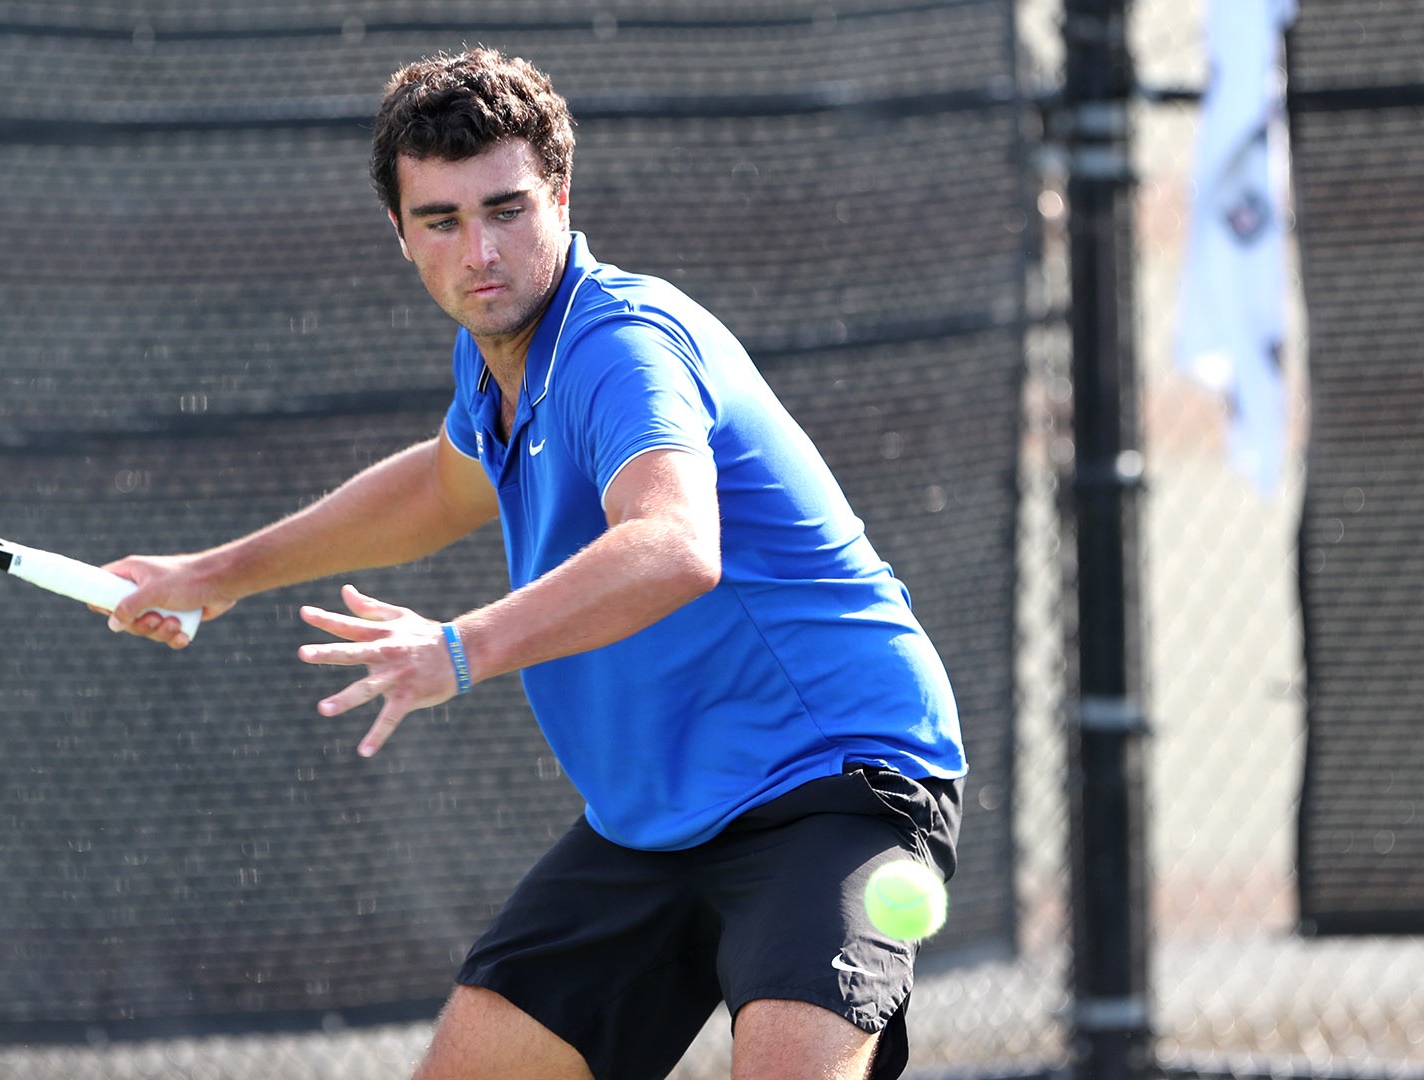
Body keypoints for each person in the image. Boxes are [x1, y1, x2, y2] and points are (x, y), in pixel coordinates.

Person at [103, 48, 967, 1080]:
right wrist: (215, 572)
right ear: (401, 233)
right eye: (443, 221)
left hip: (830, 783)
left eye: (508, 209)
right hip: (654, 821)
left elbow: (675, 546)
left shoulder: (620, 347)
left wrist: (458, 649)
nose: (481, 251)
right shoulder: (499, 356)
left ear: (559, 195)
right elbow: (438, 486)